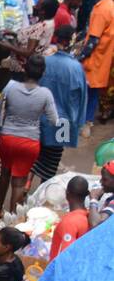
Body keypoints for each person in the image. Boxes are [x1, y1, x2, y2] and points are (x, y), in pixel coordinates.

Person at [0, 56, 60, 218]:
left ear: (25, 69)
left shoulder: (10, 87)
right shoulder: (45, 94)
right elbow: (54, 120)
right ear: (42, 73)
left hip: (7, 138)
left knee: (5, 173)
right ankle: (12, 217)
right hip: (29, 141)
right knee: (19, 182)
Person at [34, 25, 88, 183]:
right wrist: (78, 125)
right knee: (50, 165)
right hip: (62, 123)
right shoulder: (76, 68)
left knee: (36, 157)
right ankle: (41, 193)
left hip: (40, 119)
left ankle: (24, 190)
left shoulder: (44, 61)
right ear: (72, 41)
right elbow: (82, 99)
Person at [79, 0, 114, 127]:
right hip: (104, 56)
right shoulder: (110, 5)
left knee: (86, 91)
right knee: (93, 91)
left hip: (95, 57)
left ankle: (84, 122)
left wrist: (80, 56)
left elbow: (93, 39)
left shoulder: (101, 10)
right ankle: (88, 121)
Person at [50, 176, 91, 260]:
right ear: (87, 194)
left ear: (67, 193)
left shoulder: (69, 222)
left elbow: (65, 256)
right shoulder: (90, 217)